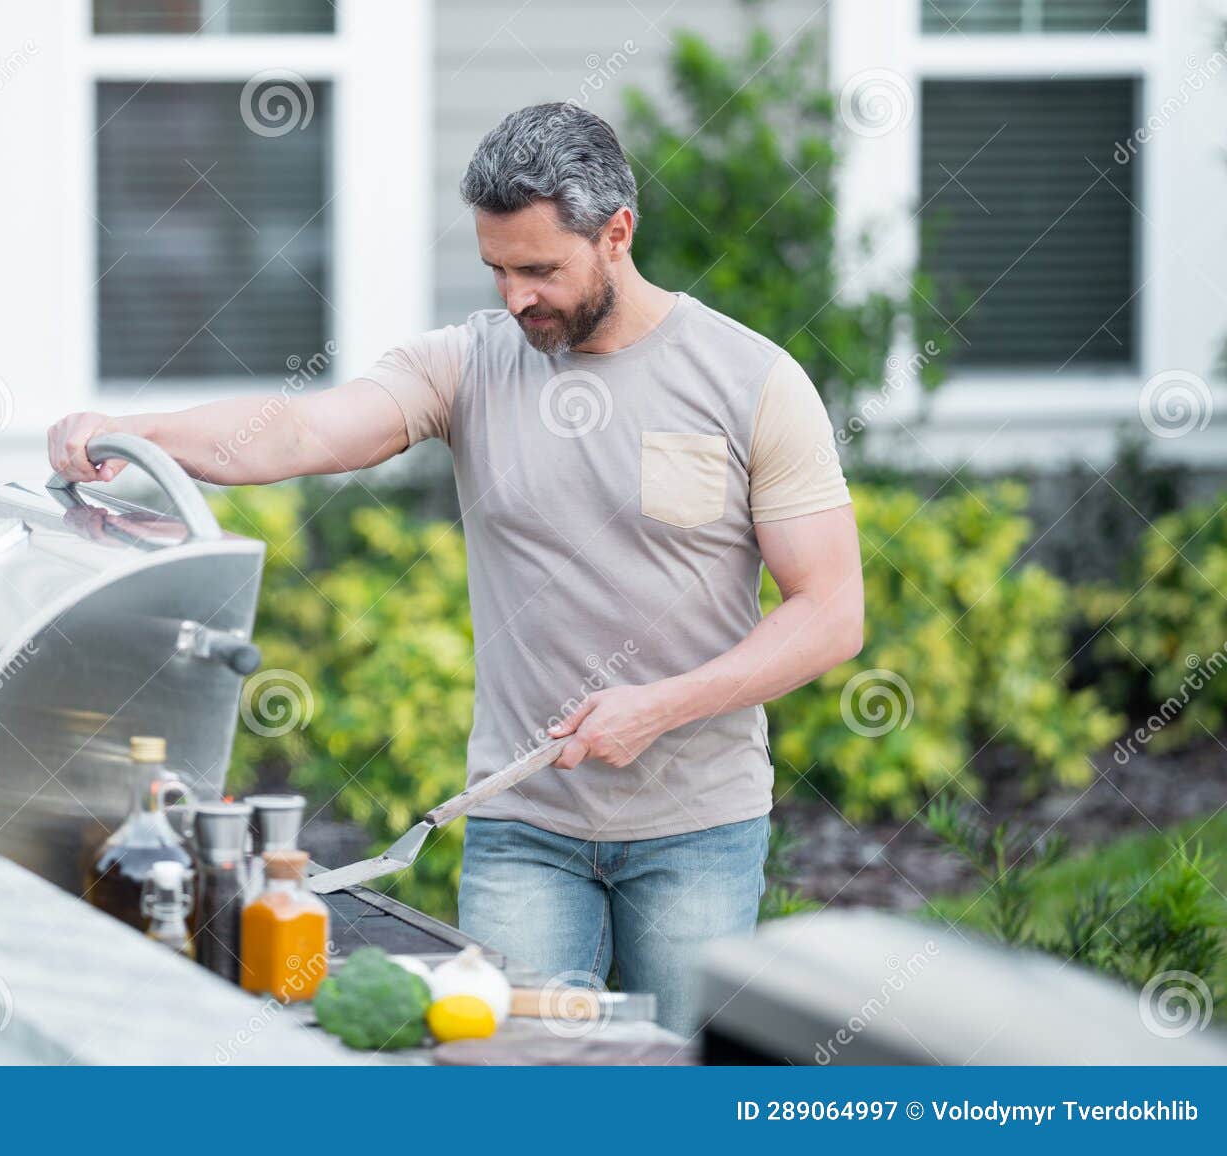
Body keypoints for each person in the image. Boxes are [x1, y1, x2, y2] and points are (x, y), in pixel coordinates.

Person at [49, 102, 863, 1037]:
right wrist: (133, 435)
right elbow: (305, 429)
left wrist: (662, 705)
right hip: (524, 827)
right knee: (511, 1080)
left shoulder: (749, 381)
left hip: (696, 830)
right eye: (497, 269)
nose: (516, 298)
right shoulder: (471, 362)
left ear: (617, 234)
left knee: (672, 1086)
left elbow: (831, 611)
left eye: (539, 269)